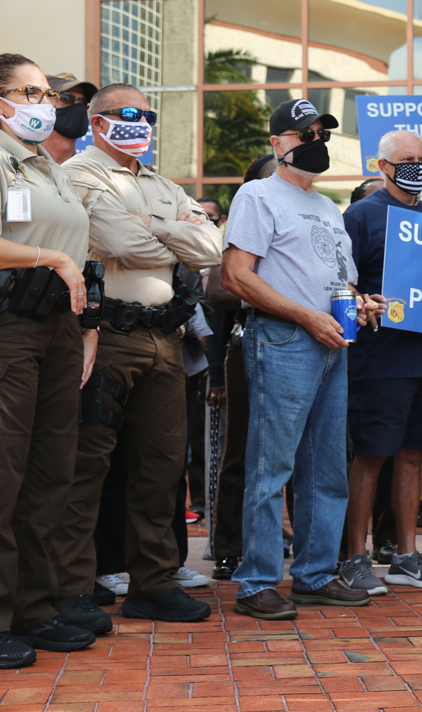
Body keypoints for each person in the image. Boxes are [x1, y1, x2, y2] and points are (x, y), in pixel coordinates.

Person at [58, 82, 222, 626]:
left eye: (146, 115)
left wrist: (156, 229)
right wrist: (175, 236)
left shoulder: (164, 184)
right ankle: (73, 587)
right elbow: (117, 242)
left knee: (162, 466)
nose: (139, 123)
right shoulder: (81, 173)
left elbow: (210, 250)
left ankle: (153, 582)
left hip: (164, 339)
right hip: (107, 335)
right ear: (98, 119)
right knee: (89, 466)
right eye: (127, 114)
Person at [222, 99, 383, 620]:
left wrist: (358, 301)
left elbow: (340, 276)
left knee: (326, 468)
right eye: (304, 133)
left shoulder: (328, 206)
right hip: (286, 339)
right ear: (277, 143)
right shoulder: (257, 194)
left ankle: (314, 575)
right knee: (273, 467)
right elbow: (237, 276)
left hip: (332, 340)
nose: (316, 141)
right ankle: (257, 582)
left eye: (321, 132)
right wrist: (305, 316)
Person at [0, 54, 97, 669]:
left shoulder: (49, 165)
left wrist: (87, 329)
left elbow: (78, 250)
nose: (44, 103)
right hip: (11, 322)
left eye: (47, 94)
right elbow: (49, 252)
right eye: (29, 91)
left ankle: (34, 606)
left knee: (50, 468)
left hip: (59, 327)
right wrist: (50, 261)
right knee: (5, 469)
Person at [339, 130, 422, 594]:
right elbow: (339, 282)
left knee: (414, 456)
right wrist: (364, 301)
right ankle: (354, 557)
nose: (417, 166)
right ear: (382, 165)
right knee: (370, 455)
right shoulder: (360, 216)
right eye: (407, 159)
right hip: (380, 357)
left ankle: (406, 555)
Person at [207, 154, 276, 581]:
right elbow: (218, 292)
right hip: (248, 342)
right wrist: (276, 293)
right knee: (241, 451)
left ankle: (278, 541)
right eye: (270, 179)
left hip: (301, 346)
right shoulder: (235, 228)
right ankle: (229, 548)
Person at [42, 72, 96, 165]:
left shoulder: (89, 172)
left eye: (83, 102)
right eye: (66, 98)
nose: (78, 107)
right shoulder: (18, 163)